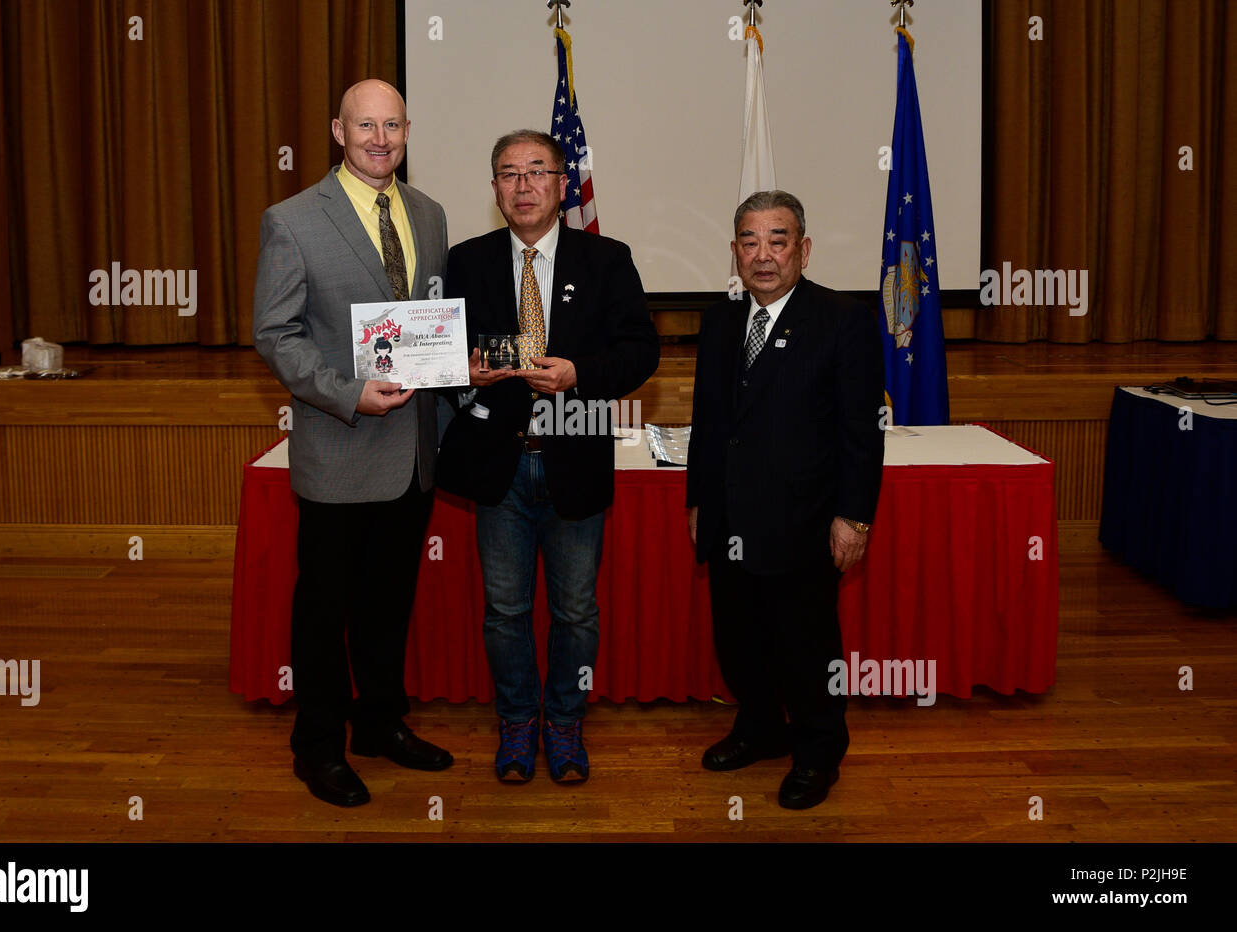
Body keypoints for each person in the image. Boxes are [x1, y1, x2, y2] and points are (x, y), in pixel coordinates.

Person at [253, 79, 452, 808]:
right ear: (338, 131)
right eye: (364, 126)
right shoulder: (293, 220)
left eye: (391, 125)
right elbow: (274, 334)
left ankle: (379, 725)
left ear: (407, 130)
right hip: (339, 450)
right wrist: (346, 391)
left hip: (412, 454)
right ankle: (319, 746)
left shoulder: (429, 214)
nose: (379, 138)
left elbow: (431, 321)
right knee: (324, 612)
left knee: (388, 604)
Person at [437, 130, 659, 783]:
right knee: (504, 611)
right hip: (496, 463)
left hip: (574, 459)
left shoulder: (606, 259)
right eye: (509, 174)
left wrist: (578, 375)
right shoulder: (466, 260)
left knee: (575, 611)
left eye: (537, 172)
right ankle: (516, 725)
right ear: (496, 189)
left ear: (564, 185)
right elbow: (438, 354)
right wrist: (462, 374)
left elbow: (641, 352)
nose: (523, 185)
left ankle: (563, 725)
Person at [685, 190, 884, 810]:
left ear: (804, 247)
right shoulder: (721, 320)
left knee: (804, 647)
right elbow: (710, 422)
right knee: (738, 641)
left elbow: (861, 429)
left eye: (778, 240)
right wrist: (698, 501)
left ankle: (820, 749)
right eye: (750, 241)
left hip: (803, 523)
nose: (763, 255)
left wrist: (853, 516)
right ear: (736, 252)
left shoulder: (842, 319)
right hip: (729, 518)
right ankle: (762, 727)